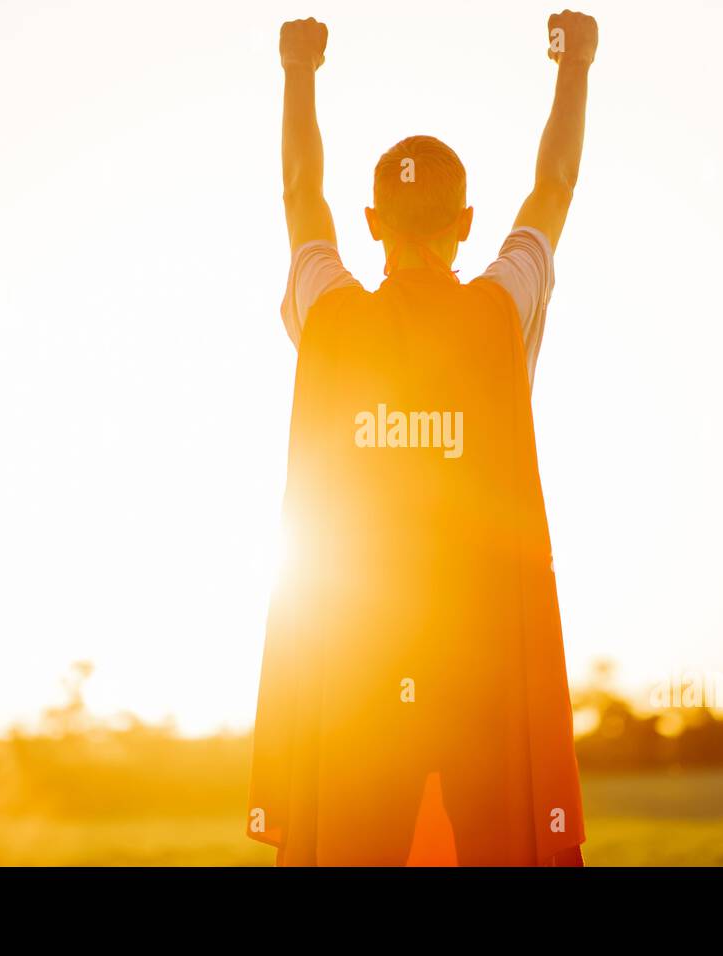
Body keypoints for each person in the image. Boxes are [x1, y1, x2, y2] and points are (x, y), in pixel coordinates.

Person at [249, 11, 597, 866]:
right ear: (468, 218)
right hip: (484, 666)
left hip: (356, 661)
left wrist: (299, 69)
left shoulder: (329, 312)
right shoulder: (499, 309)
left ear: (372, 219)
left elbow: (300, 194)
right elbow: (553, 189)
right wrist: (575, 64)